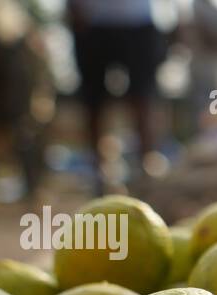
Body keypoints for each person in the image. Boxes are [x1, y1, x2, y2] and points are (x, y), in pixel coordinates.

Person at [67, 0, 166, 187]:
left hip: (139, 21)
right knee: (93, 104)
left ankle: (147, 166)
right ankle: (98, 170)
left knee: (143, 98)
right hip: (94, 22)